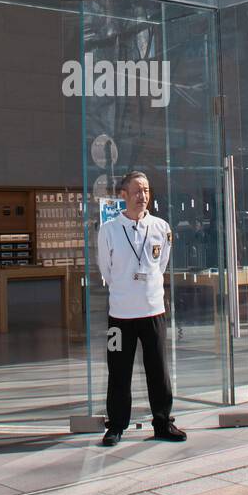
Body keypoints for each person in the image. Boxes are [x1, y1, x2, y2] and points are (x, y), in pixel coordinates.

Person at [95, 171, 186, 446]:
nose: (142, 196)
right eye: (136, 191)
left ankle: (162, 422)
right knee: (118, 371)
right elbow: (106, 270)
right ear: (123, 195)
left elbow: (161, 265)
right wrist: (126, 288)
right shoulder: (109, 230)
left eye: (146, 191)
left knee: (158, 370)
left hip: (153, 311)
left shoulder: (162, 227)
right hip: (120, 315)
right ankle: (117, 425)